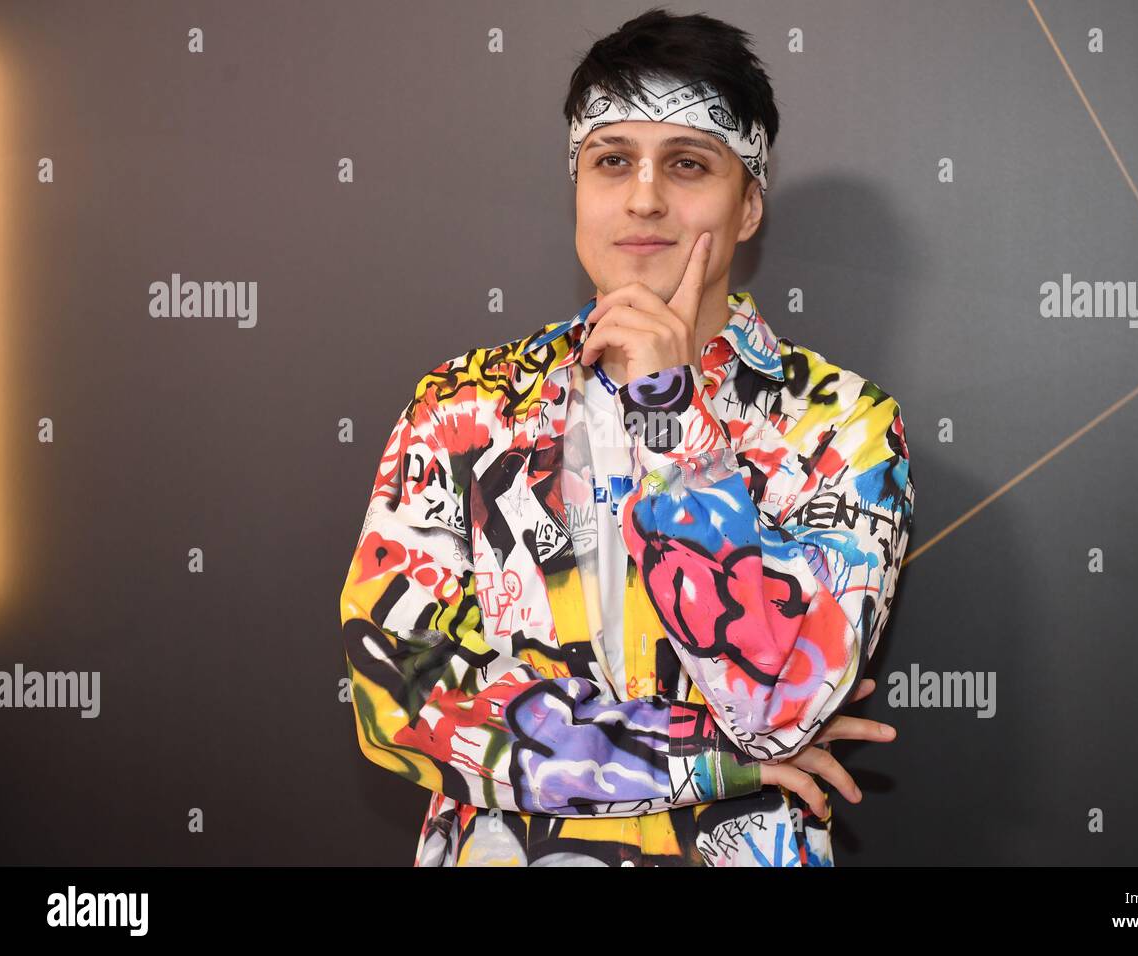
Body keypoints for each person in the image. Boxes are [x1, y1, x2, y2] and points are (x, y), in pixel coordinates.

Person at [338, 7, 915, 867]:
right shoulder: (463, 407)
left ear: (748, 203)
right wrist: (707, 760)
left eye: (687, 164)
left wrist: (668, 409)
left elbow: (779, 705)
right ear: (579, 187)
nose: (645, 196)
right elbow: (401, 696)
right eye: (613, 161)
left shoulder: (844, 425)